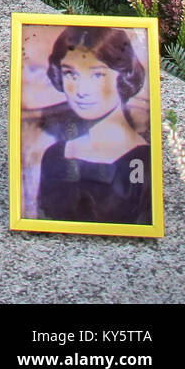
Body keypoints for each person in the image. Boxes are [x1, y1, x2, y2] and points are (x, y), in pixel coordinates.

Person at [36, 25, 152, 225]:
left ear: (123, 76)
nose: (82, 91)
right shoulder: (54, 155)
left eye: (97, 75)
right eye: (71, 74)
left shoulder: (144, 162)